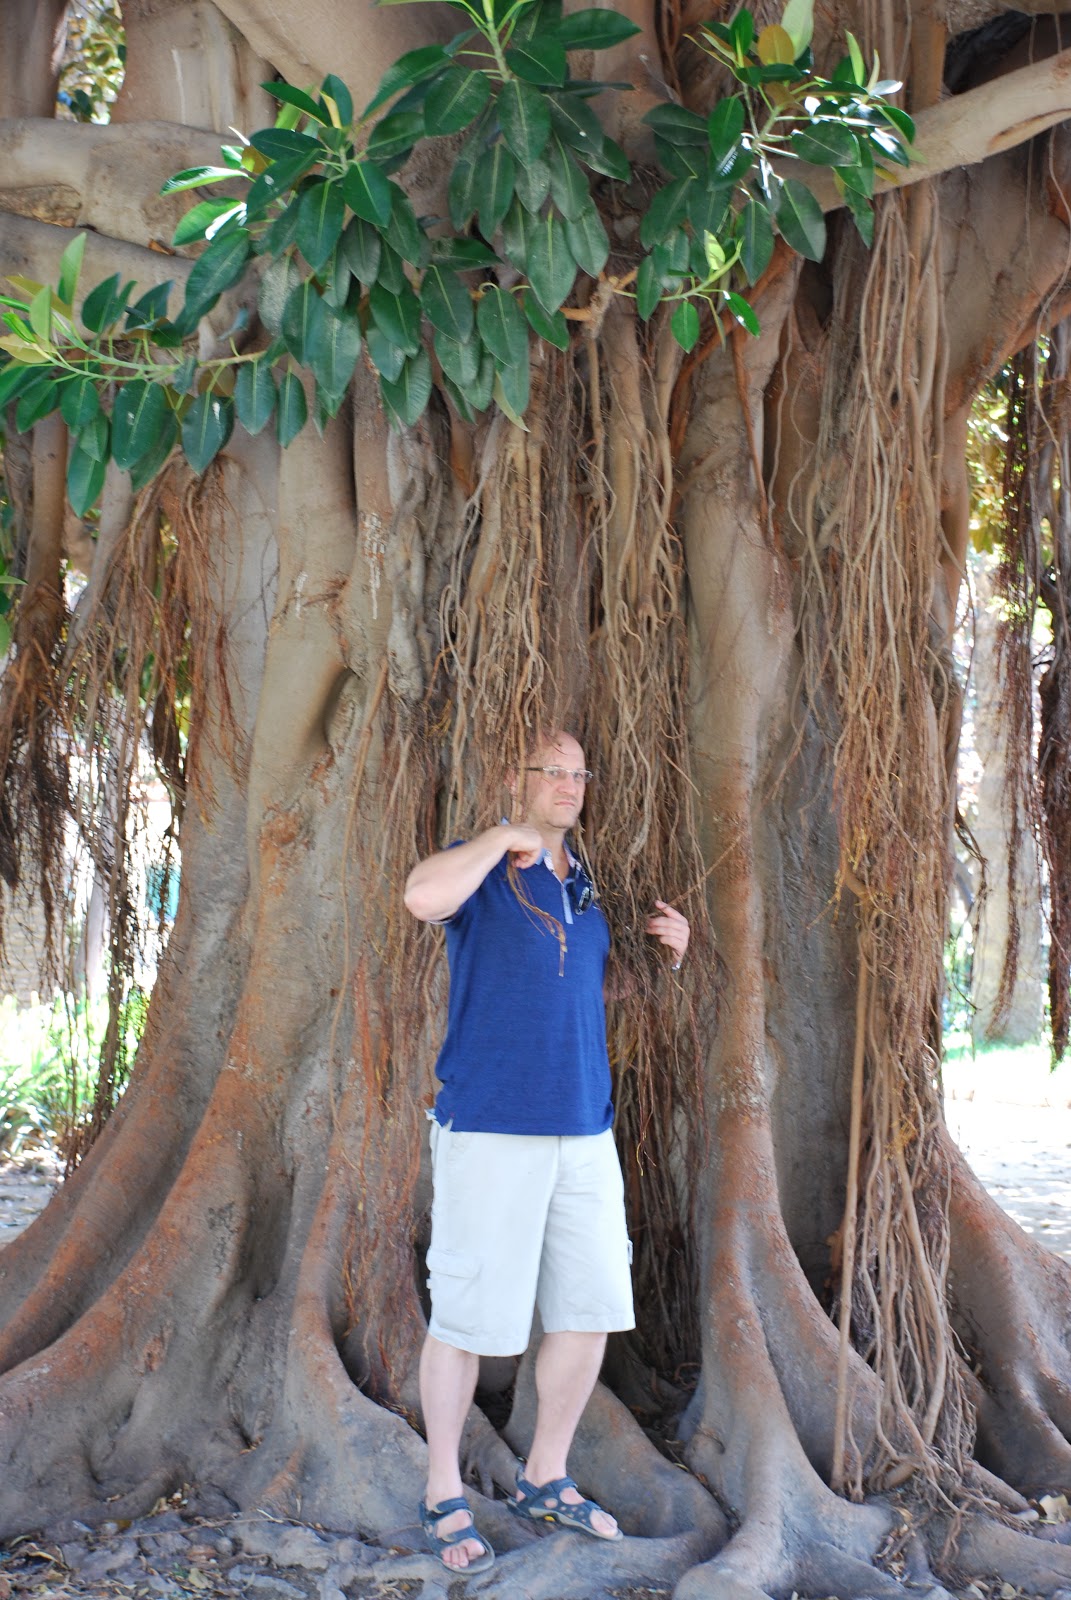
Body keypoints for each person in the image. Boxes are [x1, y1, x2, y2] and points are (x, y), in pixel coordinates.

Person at [403, 731, 690, 1574]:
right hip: (490, 1125)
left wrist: (663, 965)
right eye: (550, 772)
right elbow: (419, 898)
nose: (568, 784)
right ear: (513, 780)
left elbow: (583, 988)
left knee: (588, 1307)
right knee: (466, 1317)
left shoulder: (588, 887)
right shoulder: (479, 868)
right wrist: (499, 838)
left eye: (577, 773)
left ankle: (545, 1474)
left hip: (583, 1131)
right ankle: (442, 1490)